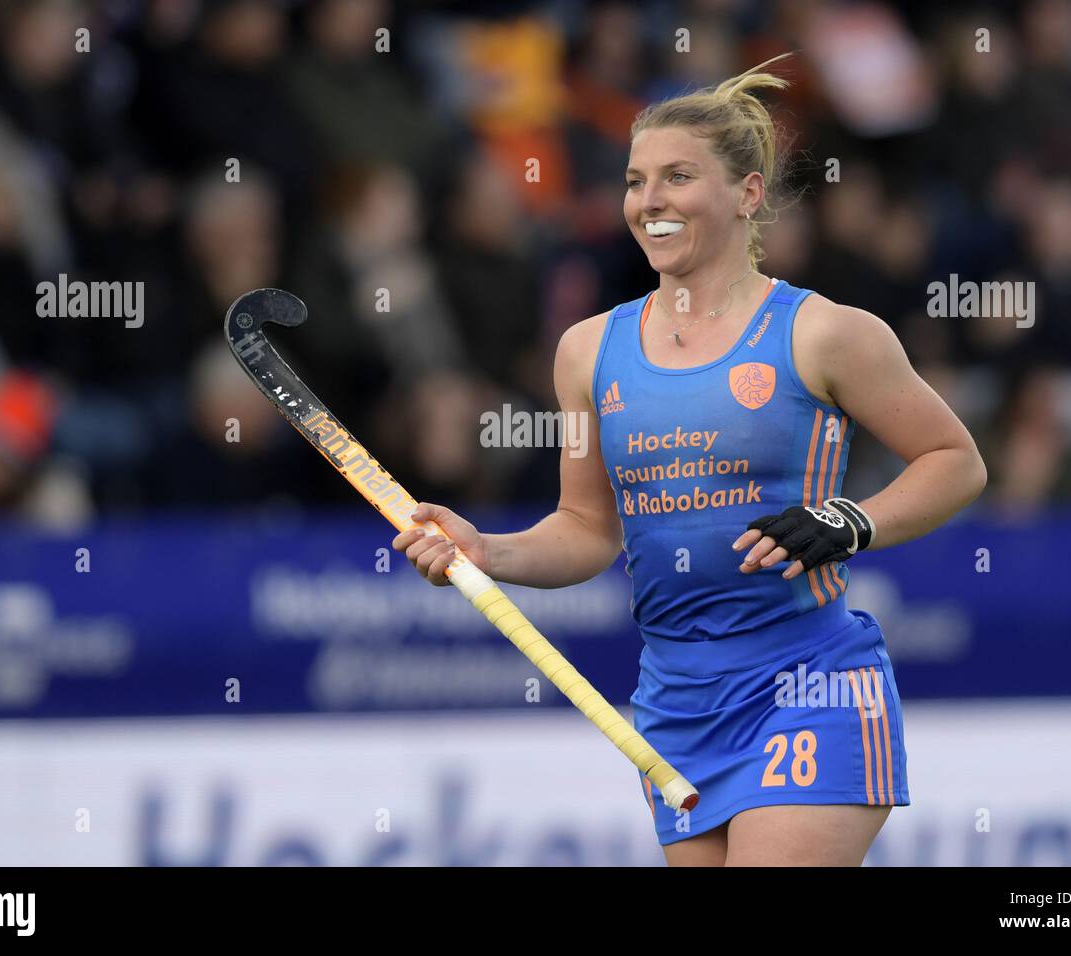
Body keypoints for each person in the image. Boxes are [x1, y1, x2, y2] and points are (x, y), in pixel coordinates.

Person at [392, 56, 987, 866]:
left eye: (677, 177)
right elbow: (584, 529)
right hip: (674, 702)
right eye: (636, 181)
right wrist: (486, 551)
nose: (649, 201)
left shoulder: (825, 333)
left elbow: (955, 460)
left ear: (748, 195)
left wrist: (853, 521)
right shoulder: (585, 352)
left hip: (808, 682)